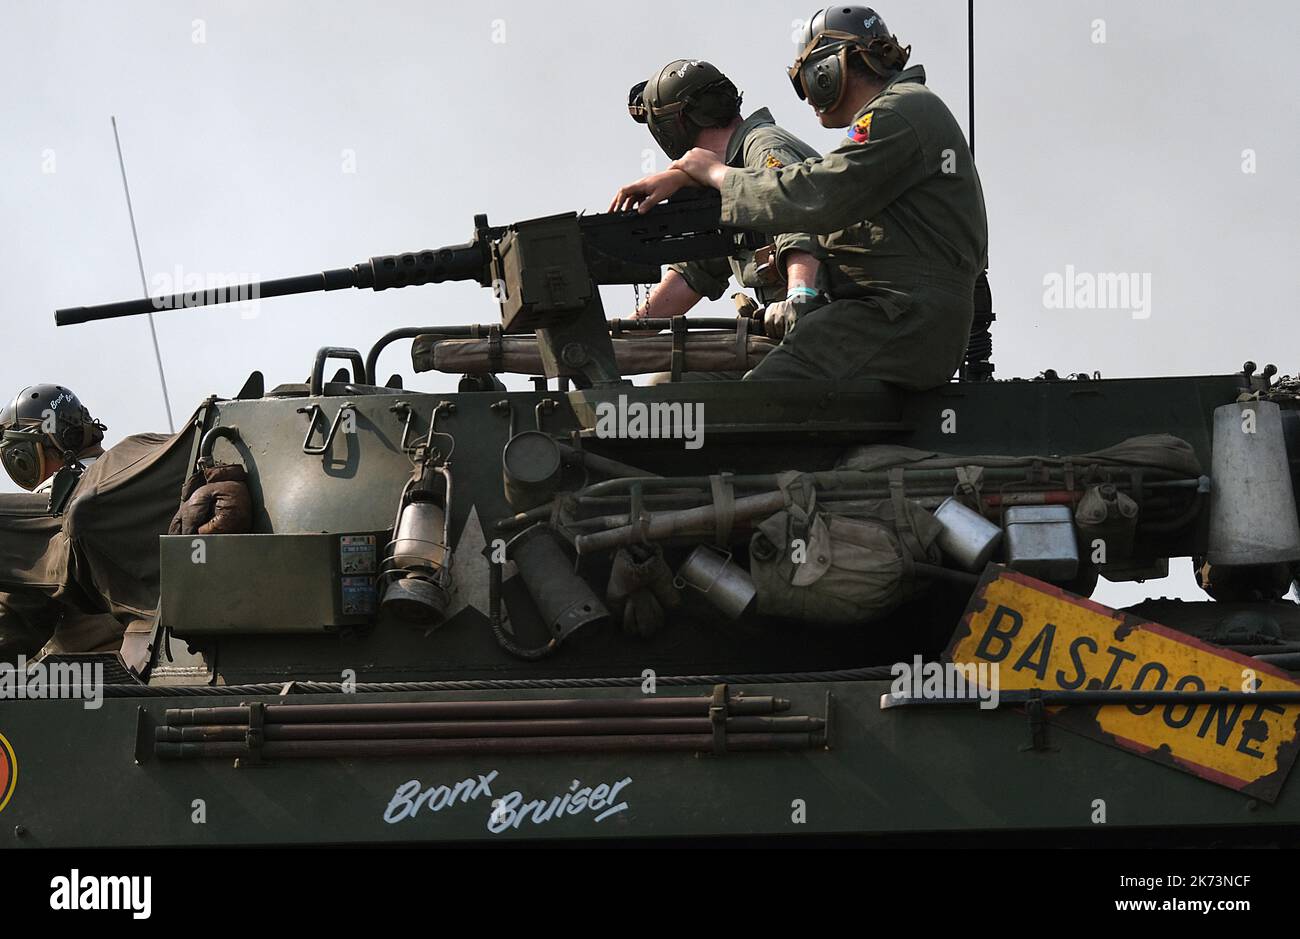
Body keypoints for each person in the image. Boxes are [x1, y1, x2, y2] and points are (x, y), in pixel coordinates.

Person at [610, 6, 989, 388]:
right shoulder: (899, 111)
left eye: (805, 78)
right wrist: (624, 334)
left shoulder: (899, 110)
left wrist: (715, 175)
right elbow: (700, 267)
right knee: (679, 387)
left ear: (829, 69)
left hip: (898, 314)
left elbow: (813, 201)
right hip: (888, 313)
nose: (806, 95)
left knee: (758, 403)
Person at [625, 59, 823, 351]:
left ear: (675, 126)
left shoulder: (764, 148)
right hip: (788, 331)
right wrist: (620, 339)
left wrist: (799, 297)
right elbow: (694, 273)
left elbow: (801, 218)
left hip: (821, 323)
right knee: (671, 382)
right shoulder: (727, 173)